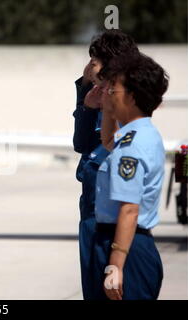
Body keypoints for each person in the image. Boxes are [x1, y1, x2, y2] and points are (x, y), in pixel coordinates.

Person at [91, 53, 169, 300]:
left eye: (115, 89)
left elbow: (129, 210)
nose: (110, 93)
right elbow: (107, 142)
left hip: (126, 250)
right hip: (126, 244)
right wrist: (108, 108)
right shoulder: (140, 134)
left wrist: (115, 265)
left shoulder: (133, 146)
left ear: (132, 97)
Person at [72, 30, 139, 299]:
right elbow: (81, 144)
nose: (89, 67)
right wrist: (85, 104)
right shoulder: (96, 95)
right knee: (92, 288)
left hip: (112, 210)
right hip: (91, 207)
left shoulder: (129, 104)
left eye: (95, 60)